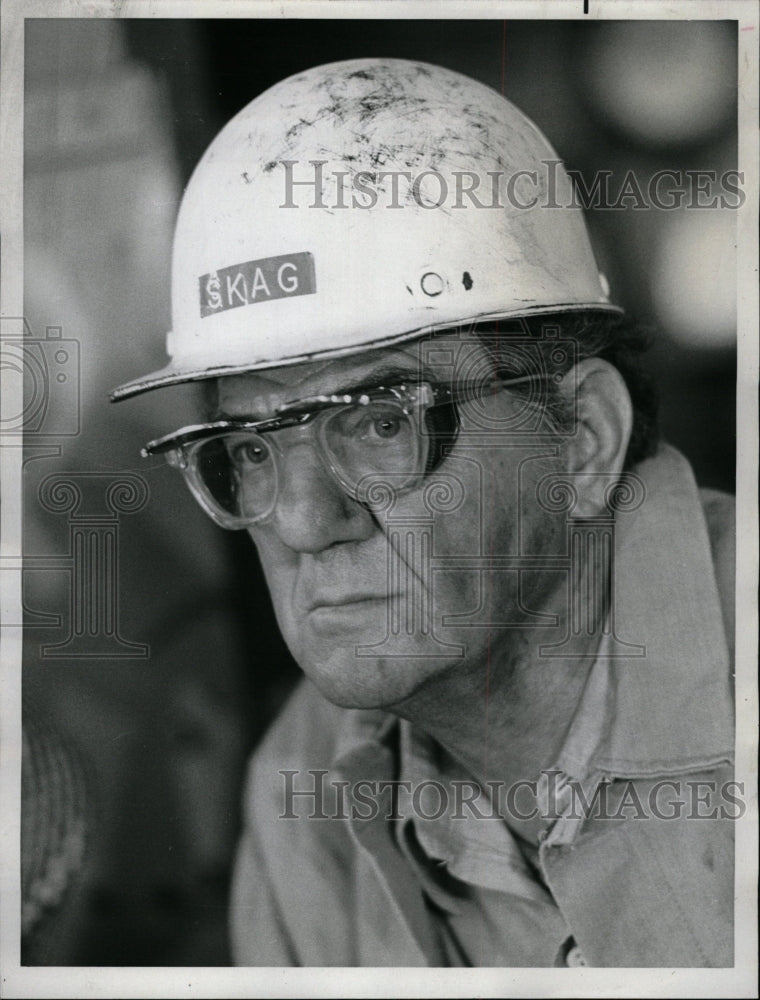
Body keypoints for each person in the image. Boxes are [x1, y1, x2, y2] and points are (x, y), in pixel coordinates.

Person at [112, 58, 735, 967]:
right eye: (251, 449)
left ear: (584, 439)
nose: (299, 522)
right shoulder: (312, 786)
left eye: (377, 422)